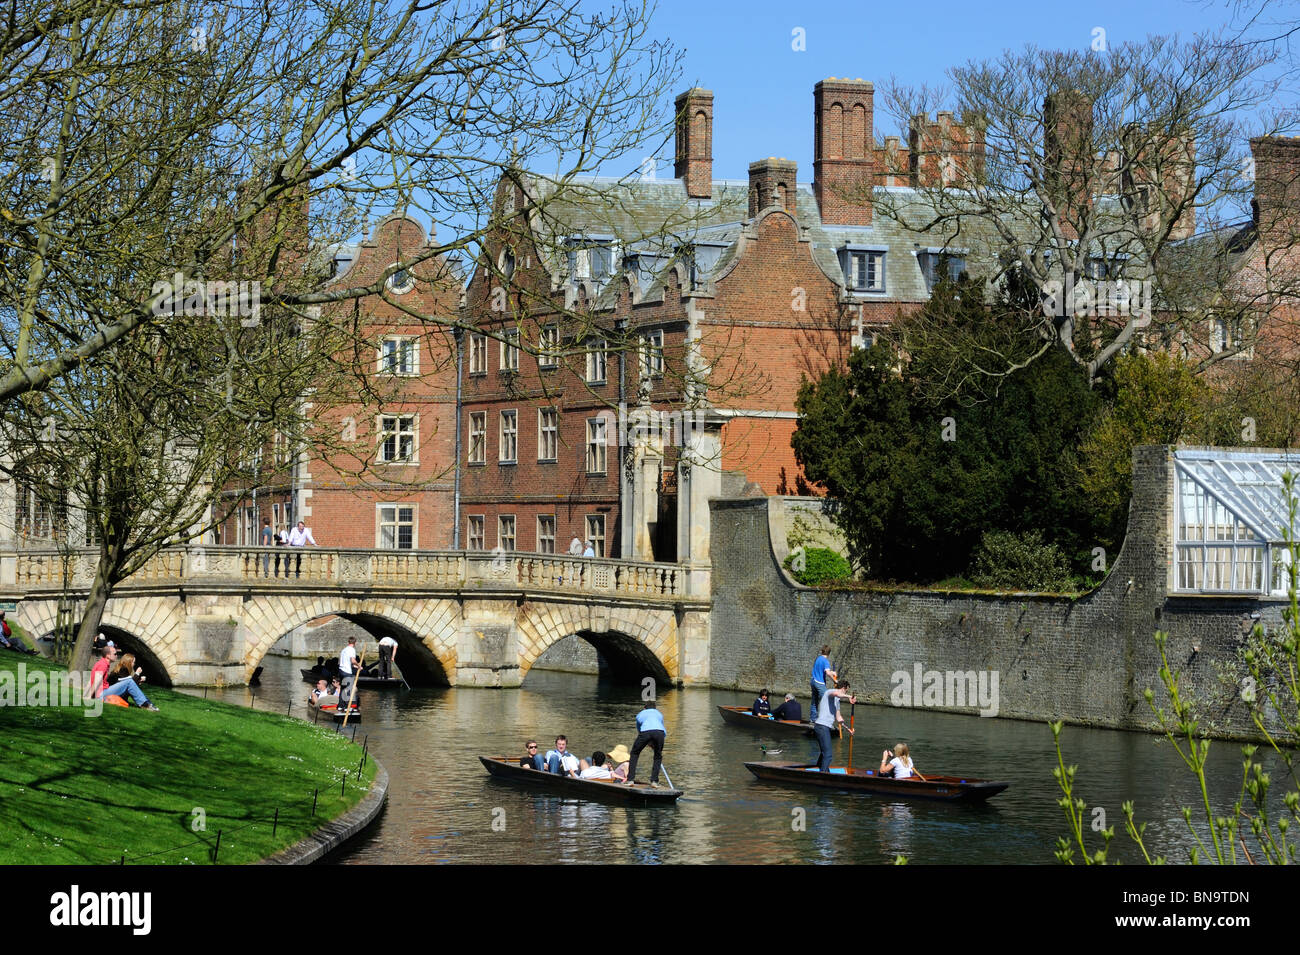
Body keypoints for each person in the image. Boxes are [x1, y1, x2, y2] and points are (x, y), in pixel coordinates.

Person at [88, 645, 158, 710]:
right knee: (129, 682)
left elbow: (92, 680)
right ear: (108, 656)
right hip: (101, 694)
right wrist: (89, 696)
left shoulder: (102, 663)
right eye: (115, 654)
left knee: (129, 682)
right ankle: (146, 704)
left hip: (102, 692)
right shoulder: (103, 665)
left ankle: (148, 704)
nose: (116, 656)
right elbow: (96, 681)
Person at [813, 680, 854, 773]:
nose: (845, 693)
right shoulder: (829, 692)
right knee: (828, 755)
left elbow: (839, 718)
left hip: (824, 727)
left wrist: (848, 729)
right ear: (843, 688)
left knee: (824, 753)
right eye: (846, 691)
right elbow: (837, 693)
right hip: (821, 726)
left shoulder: (837, 702)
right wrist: (849, 697)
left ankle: (818, 768)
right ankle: (823, 774)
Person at [626, 701, 666, 787]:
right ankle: (654, 781)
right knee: (658, 756)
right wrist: (654, 743)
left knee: (634, 753)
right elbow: (663, 729)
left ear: (645, 708)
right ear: (655, 708)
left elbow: (640, 730)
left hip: (645, 733)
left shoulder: (640, 714)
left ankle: (630, 780)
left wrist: (648, 741)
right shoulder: (659, 714)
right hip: (660, 733)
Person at [810, 644, 837, 721]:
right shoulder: (826, 661)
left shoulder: (818, 658)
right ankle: (825, 720)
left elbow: (823, 670)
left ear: (822, 651)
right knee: (827, 700)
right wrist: (835, 680)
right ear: (829, 653)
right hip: (819, 683)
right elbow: (827, 673)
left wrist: (832, 672)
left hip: (813, 681)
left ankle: (813, 719)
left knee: (814, 702)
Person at [338, 635, 360, 704]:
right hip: (347, 672)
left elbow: (347, 661)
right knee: (349, 689)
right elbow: (353, 660)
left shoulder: (344, 650)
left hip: (341, 670)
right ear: (355, 643)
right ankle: (347, 706)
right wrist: (358, 665)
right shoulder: (352, 649)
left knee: (343, 688)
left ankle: (341, 705)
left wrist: (355, 666)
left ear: (348, 642)